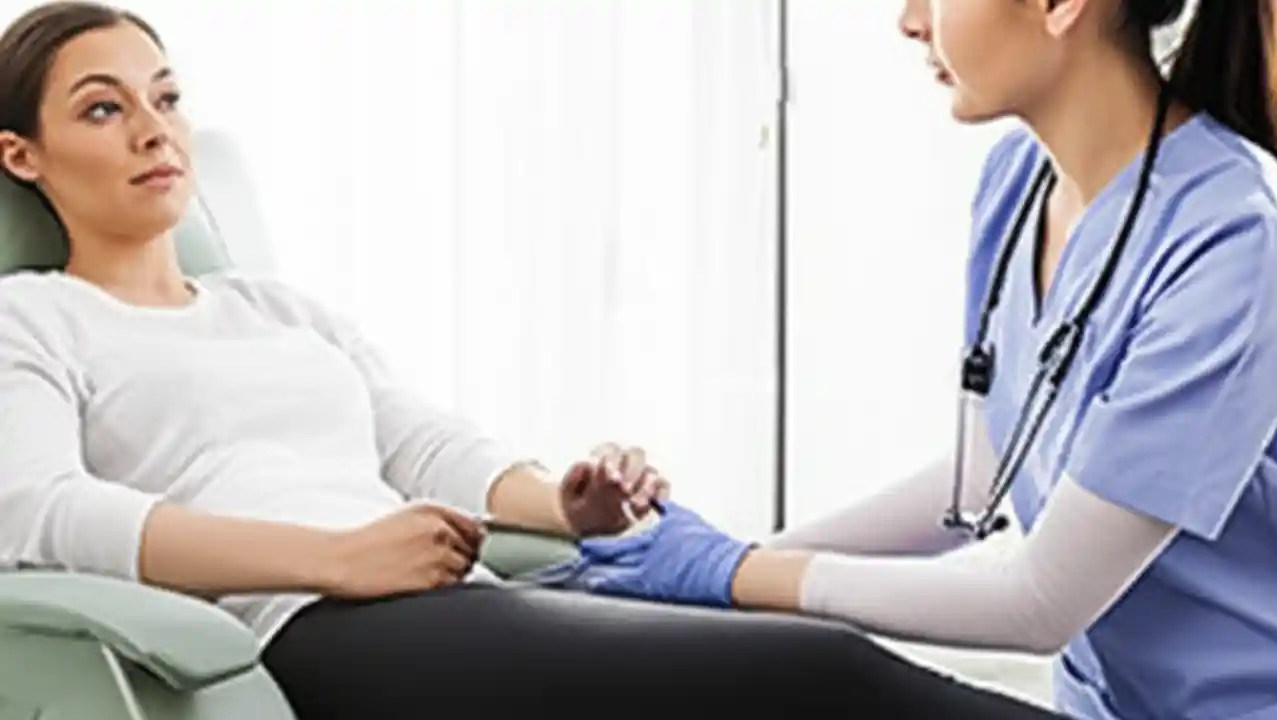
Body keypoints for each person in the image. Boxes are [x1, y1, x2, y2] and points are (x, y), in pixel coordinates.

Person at [0, 3, 1071, 717]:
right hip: (317, 625)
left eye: (167, 97)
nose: (154, 130)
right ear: (22, 154)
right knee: (820, 674)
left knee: (807, 648)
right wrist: (329, 560)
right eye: (104, 108)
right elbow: (42, 514)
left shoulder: (273, 306)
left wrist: (564, 503)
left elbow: (424, 445)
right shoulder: (34, 319)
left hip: (443, 594)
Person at [569, 2, 1277, 719]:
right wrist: (708, 560)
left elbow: (1042, 603)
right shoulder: (1018, 183)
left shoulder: (1233, 240)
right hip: (1097, 707)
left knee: (830, 680)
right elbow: (980, 479)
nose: (910, 21)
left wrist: (732, 572)